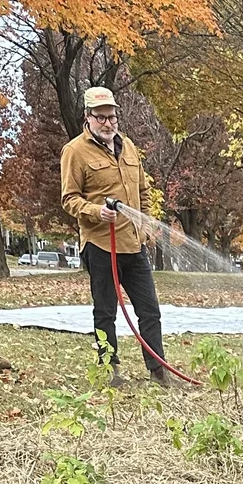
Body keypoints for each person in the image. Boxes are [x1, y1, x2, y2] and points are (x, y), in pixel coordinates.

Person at [59, 87, 168, 386]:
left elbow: (143, 191)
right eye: (101, 117)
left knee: (150, 311)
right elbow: (69, 199)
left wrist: (146, 225)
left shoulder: (128, 146)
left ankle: (158, 372)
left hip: (133, 244)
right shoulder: (74, 151)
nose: (108, 123)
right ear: (88, 117)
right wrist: (96, 211)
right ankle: (110, 370)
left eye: (112, 117)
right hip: (101, 245)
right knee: (106, 312)